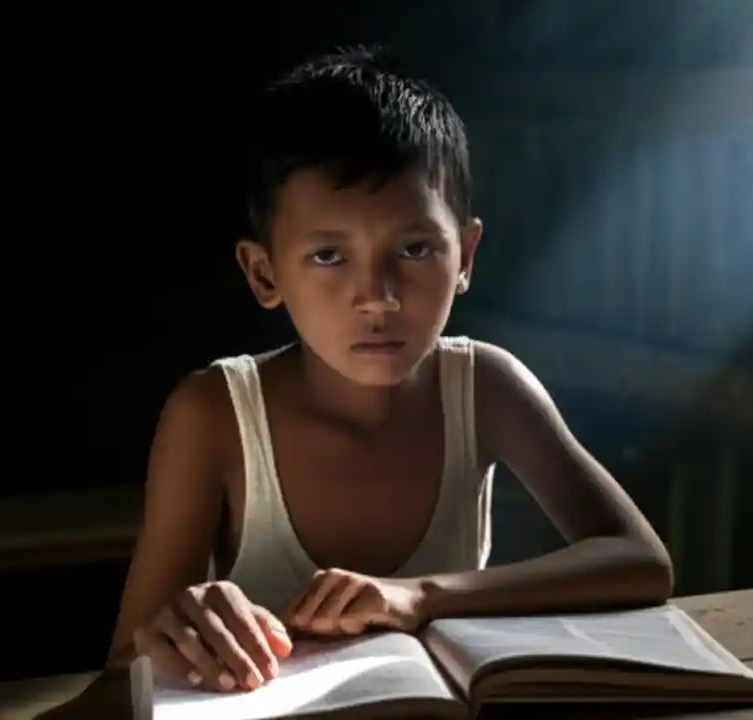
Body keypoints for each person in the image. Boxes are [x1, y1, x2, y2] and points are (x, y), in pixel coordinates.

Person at [104, 46, 673, 695]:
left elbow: (639, 561)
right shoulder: (215, 412)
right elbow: (126, 666)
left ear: (464, 255)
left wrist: (421, 595)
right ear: (264, 273)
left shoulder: (484, 387)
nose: (378, 295)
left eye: (414, 249)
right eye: (327, 256)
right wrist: (179, 630)